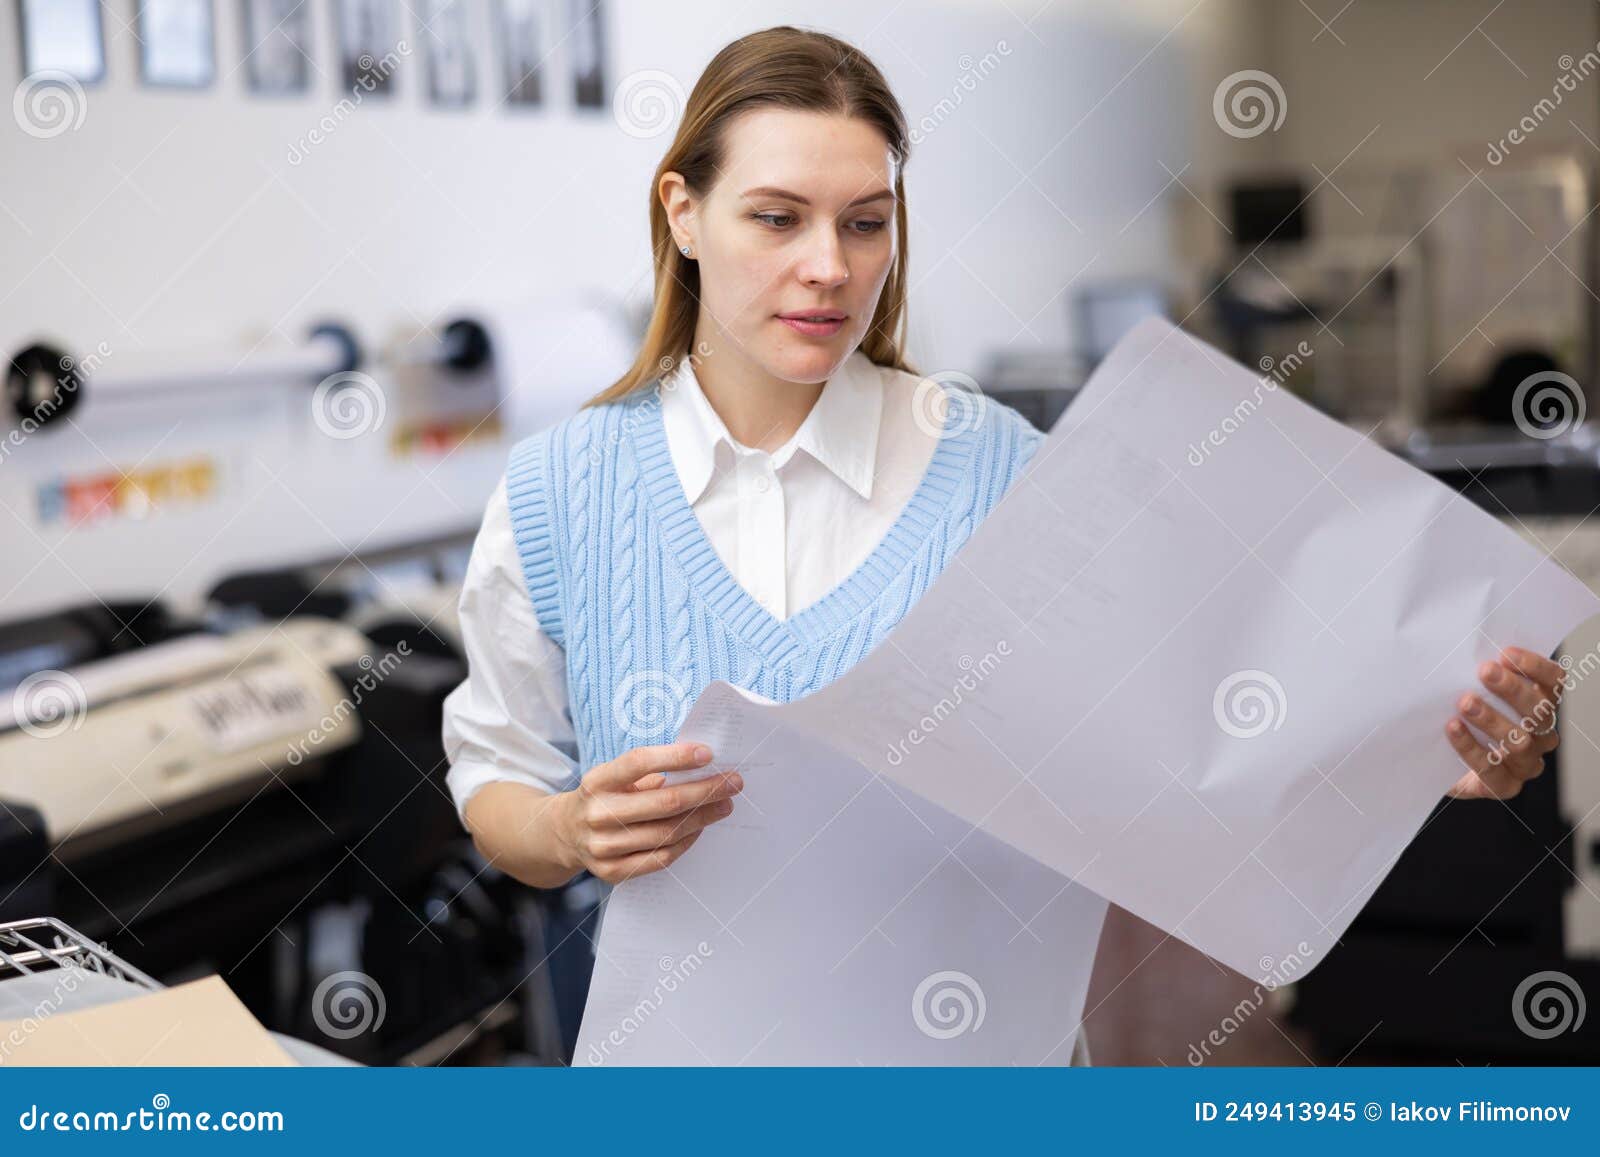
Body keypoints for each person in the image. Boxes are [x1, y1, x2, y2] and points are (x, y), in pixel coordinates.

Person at [440, 24, 1563, 913]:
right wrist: (565, 831)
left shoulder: (999, 472)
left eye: (865, 223)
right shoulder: (559, 493)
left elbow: (1199, 722)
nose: (828, 268)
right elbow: (498, 775)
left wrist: (1432, 744)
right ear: (682, 214)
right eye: (776, 218)